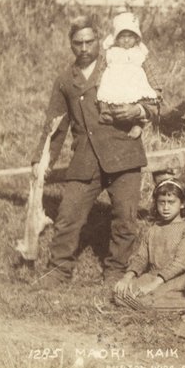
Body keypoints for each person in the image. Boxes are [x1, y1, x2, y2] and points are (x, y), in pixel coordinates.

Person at [31, 15, 160, 288]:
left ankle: (115, 272)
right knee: (68, 216)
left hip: (123, 151)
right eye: (78, 43)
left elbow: (156, 100)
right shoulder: (66, 79)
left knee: (125, 219)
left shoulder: (120, 61)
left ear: (99, 41)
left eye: (90, 41)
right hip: (85, 156)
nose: (85, 48)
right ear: (70, 45)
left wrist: (138, 110)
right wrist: (42, 160)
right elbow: (54, 124)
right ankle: (58, 271)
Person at [112, 175, 185, 311]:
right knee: (120, 294)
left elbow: (180, 263)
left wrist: (153, 285)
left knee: (152, 296)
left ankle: (173, 304)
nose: (166, 207)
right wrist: (127, 277)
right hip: (152, 276)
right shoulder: (153, 230)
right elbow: (141, 258)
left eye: (171, 202)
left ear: (182, 204)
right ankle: (145, 304)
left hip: (175, 280)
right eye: (161, 202)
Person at [96, 11, 159, 139]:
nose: (126, 40)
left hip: (134, 86)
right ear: (116, 38)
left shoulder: (140, 52)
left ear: (136, 38)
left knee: (141, 99)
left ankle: (137, 124)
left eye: (130, 36)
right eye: (122, 36)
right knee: (106, 96)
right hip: (114, 85)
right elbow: (100, 70)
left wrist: (157, 88)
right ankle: (107, 114)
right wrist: (98, 84)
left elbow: (151, 71)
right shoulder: (110, 52)